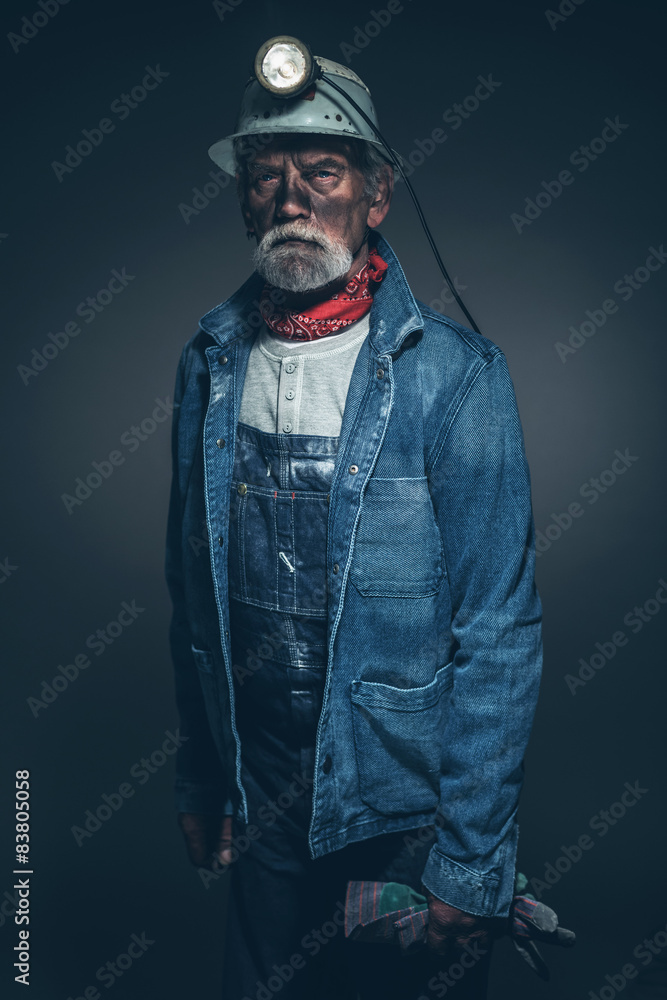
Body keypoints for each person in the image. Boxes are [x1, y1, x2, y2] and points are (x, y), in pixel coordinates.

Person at [166, 42, 543, 1000]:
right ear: (243, 199)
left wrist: (469, 863)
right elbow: (193, 603)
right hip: (266, 797)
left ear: (374, 197)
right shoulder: (209, 365)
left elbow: (498, 632)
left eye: (322, 172)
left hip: (405, 808)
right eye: (266, 175)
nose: (292, 197)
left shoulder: (456, 378)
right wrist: (204, 781)